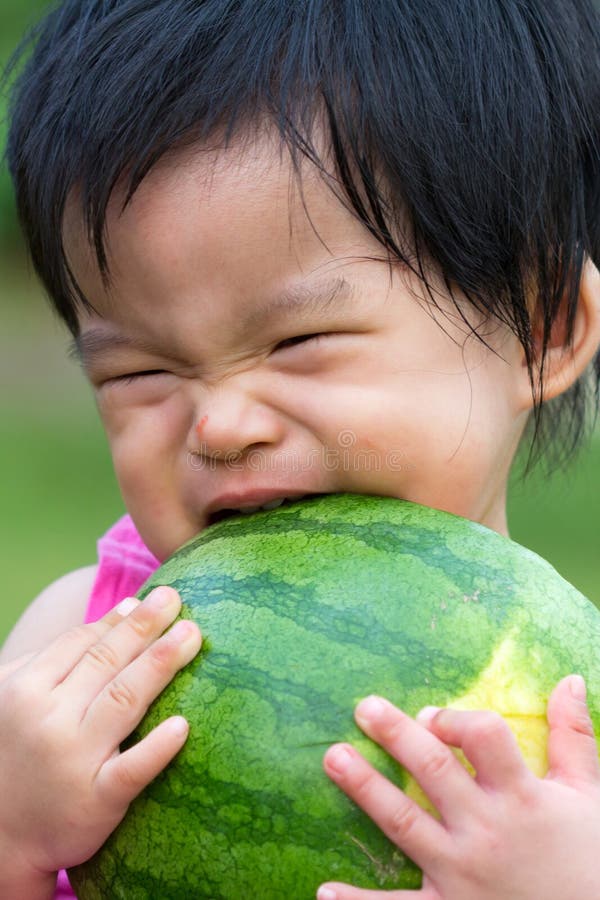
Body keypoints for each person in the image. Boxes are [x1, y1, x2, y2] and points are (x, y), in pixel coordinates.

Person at [1, 0, 600, 897]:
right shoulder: (79, 651)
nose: (221, 424)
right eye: (139, 373)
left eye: (295, 343)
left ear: (544, 328)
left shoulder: (575, 732)